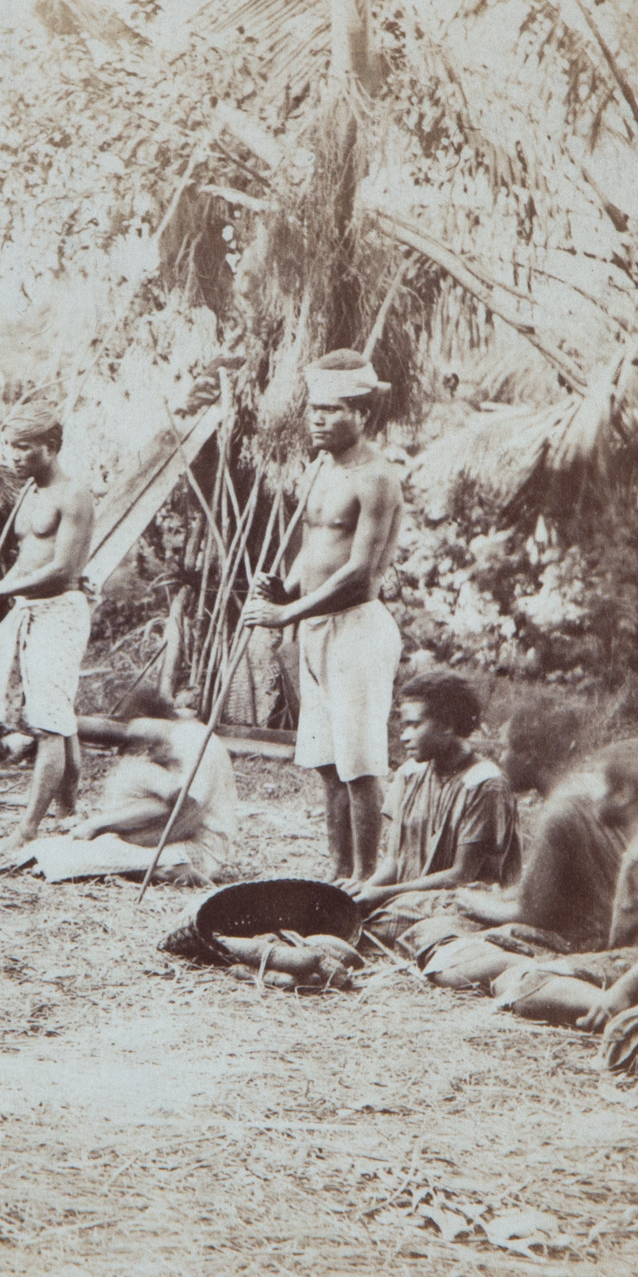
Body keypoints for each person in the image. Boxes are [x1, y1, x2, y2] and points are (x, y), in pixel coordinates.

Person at [242, 349, 403, 882]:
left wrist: (287, 611)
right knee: (329, 761)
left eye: (332, 410)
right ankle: (338, 873)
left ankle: (365, 877)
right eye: (315, 409)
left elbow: (359, 571)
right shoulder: (318, 469)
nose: (318, 419)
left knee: (359, 762)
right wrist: (283, 587)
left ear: (362, 414)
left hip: (357, 628)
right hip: (316, 628)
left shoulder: (376, 478)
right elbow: (314, 549)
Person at [0, 405, 95, 854]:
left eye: (24, 447)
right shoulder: (28, 493)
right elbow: (30, 557)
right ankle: (68, 812)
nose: (14, 456)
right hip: (29, 611)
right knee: (59, 717)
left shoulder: (73, 495)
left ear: (51, 447)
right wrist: (0, 590)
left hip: (59, 613)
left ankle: (27, 829)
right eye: (10, 446)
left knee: (48, 724)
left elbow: (63, 568)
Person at [455, 700, 629, 952]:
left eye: (505, 748)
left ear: (528, 755)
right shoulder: (588, 787)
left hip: (593, 939)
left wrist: (472, 903)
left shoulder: (558, 811)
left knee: (456, 946)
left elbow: (532, 914)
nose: (501, 758)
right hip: (614, 926)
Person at [21, 690, 238, 885]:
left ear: (152, 722)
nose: (148, 750)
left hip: (201, 848)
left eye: (147, 742)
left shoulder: (190, 742)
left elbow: (188, 816)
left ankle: (174, 869)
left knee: (97, 852)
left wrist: (111, 830)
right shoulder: (177, 736)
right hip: (180, 834)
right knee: (83, 846)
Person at [348, 671, 521, 912]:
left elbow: (461, 875)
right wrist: (363, 892)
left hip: (465, 906)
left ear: (448, 724)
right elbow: (394, 862)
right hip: (408, 899)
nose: (404, 736)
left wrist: (383, 895)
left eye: (415, 725)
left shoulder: (485, 783)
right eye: (404, 726)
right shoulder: (409, 774)